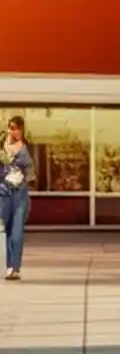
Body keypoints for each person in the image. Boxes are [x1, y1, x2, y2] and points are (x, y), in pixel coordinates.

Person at [0, 115, 34, 280]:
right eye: (12, 128)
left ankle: (15, 266)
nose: (15, 131)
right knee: (6, 229)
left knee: (17, 231)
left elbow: (31, 173)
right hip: (4, 191)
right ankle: (8, 266)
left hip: (20, 192)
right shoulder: (2, 146)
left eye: (18, 128)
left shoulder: (26, 147)